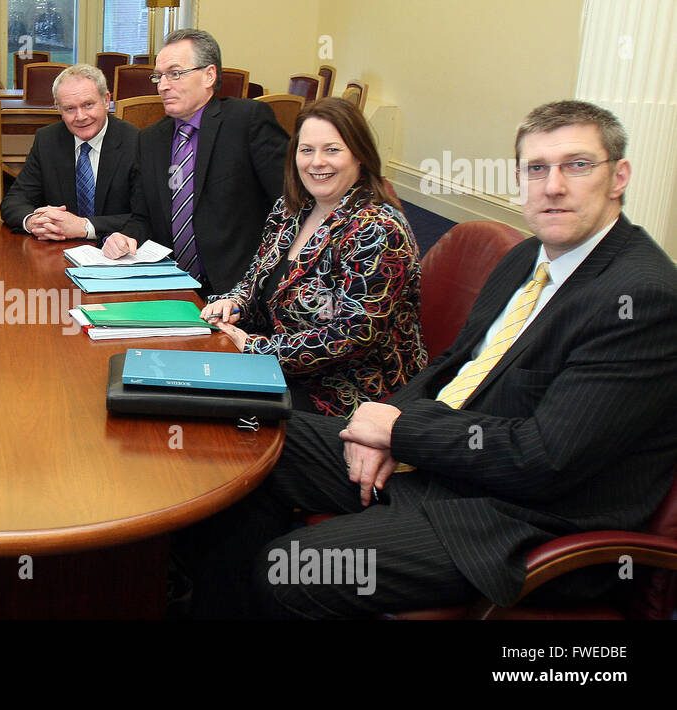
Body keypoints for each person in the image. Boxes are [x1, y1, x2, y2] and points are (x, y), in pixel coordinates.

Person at [175, 100, 677, 619]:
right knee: (243, 437)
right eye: (536, 168)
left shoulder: (640, 299)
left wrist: (401, 432)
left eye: (576, 165)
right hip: (446, 462)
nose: (552, 186)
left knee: (291, 569)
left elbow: (545, 458)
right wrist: (384, 418)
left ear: (618, 177)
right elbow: (452, 364)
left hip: (512, 519)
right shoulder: (529, 257)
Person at [199, 98, 427, 417]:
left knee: (215, 415)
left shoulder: (377, 228)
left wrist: (256, 349)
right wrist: (235, 302)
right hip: (282, 369)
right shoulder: (290, 210)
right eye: (306, 150)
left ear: (360, 155)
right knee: (181, 389)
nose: (316, 162)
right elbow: (254, 279)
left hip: (352, 394)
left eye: (332, 150)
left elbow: (351, 336)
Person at [102, 29, 289, 293]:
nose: (163, 85)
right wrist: (123, 236)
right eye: (158, 76)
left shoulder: (247, 121)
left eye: (175, 74)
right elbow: (144, 217)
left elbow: (289, 206)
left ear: (209, 75)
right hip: (171, 287)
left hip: (241, 289)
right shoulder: (150, 140)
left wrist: (258, 285)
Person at [0, 63, 138, 242]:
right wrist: (34, 222)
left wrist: (84, 226)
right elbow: (14, 201)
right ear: (58, 108)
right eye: (70, 108)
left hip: (116, 251)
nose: (80, 117)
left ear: (106, 100)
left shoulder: (134, 142)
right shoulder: (47, 140)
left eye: (88, 105)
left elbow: (144, 215)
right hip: (57, 251)